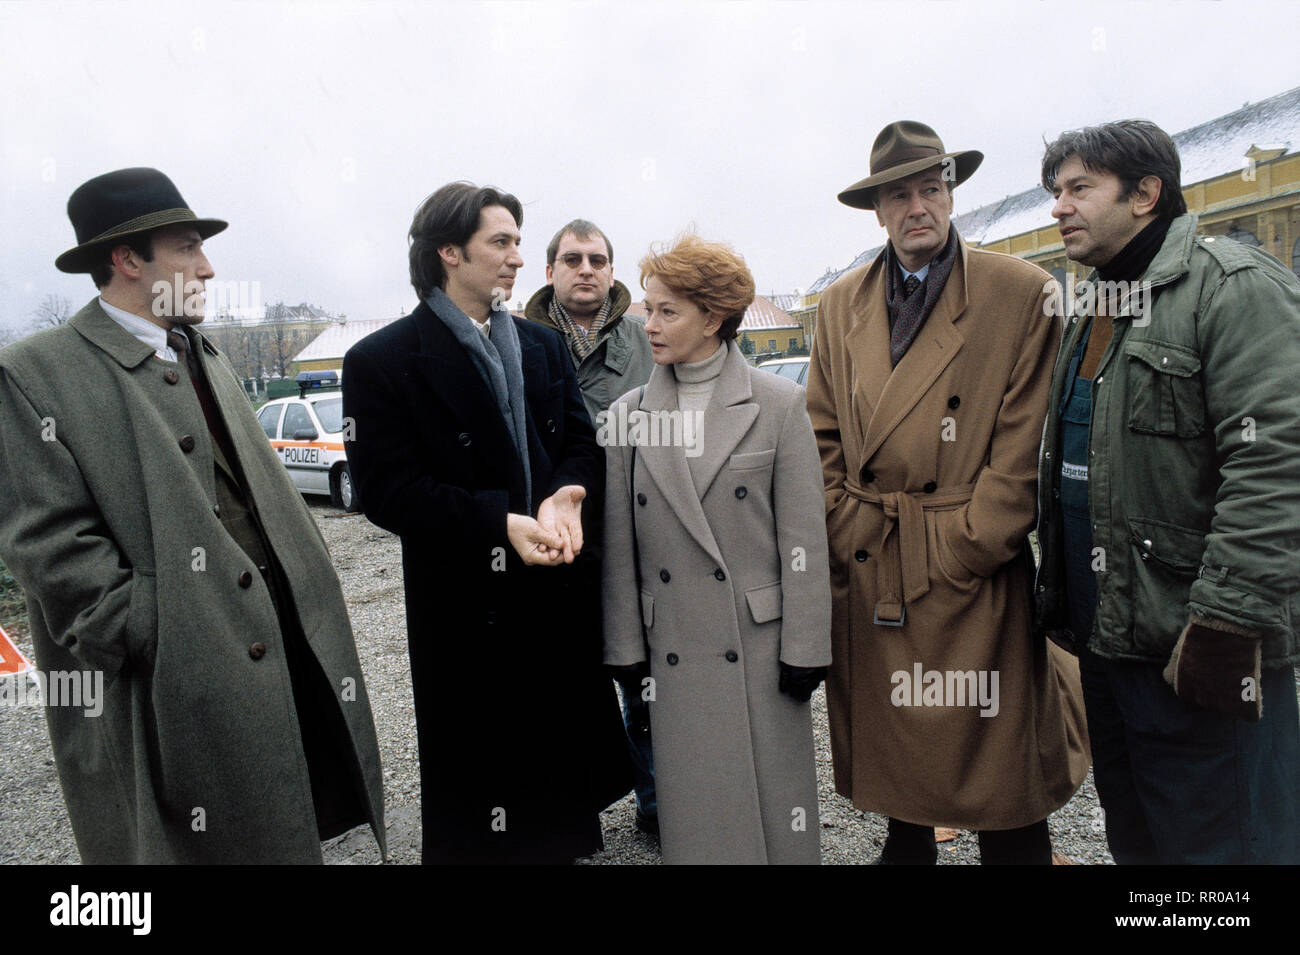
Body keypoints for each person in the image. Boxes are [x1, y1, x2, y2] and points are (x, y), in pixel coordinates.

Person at [0, 167, 385, 863]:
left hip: (271, 663)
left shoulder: (197, 347)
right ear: (126, 259)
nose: (207, 267)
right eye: (186, 247)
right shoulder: (35, 373)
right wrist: (156, 632)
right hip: (166, 690)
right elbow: (49, 547)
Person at [805, 121, 1090, 865]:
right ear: (877, 210)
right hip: (874, 568)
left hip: (971, 576)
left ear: (951, 193)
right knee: (904, 792)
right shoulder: (839, 305)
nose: (917, 207)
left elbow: (1024, 451)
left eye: (930, 188)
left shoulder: (1022, 292)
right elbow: (821, 437)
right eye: (899, 195)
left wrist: (961, 548)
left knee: (1003, 784)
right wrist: (846, 529)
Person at [342, 182, 631, 864]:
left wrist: (567, 495)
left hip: (555, 600)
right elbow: (385, 490)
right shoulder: (382, 360)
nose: (518, 258)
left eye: (517, 242)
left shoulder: (540, 346)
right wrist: (496, 523)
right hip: (467, 613)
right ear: (449, 251)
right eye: (501, 242)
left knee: (561, 803)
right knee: (484, 804)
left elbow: (582, 445)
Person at [1036, 120, 1300, 864]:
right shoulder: (1094, 305)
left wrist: (1224, 626)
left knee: (1228, 851)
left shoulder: (1235, 289)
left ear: (1147, 193)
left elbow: (1276, 464)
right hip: (1110, 645)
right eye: (1056, 190)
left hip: (1201, 655)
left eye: (1079, 187)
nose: (1059, 206)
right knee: (1144, 847)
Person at [602, 234, 831, 864]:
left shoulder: (779, 403)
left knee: (775, 818)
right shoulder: (629, 414)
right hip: (674, 647)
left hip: (758, 649)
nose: (648, 325)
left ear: (714, 318)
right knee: (698, 815)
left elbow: (804, 537)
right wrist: (624, 649)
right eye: (646, 310)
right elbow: (621, 546)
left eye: (666, 311)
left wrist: (808, 645)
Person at [525, 219, 658, 834]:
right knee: (564, 685)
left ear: (612, 270)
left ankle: (659, 805)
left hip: (640, 537)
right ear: (548, 270)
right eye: (572, 259)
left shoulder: (649, 339)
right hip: (555, 542)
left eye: (598, 260)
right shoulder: (517, 343)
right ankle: (574, 816)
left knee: (646, 677)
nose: (586, 270)